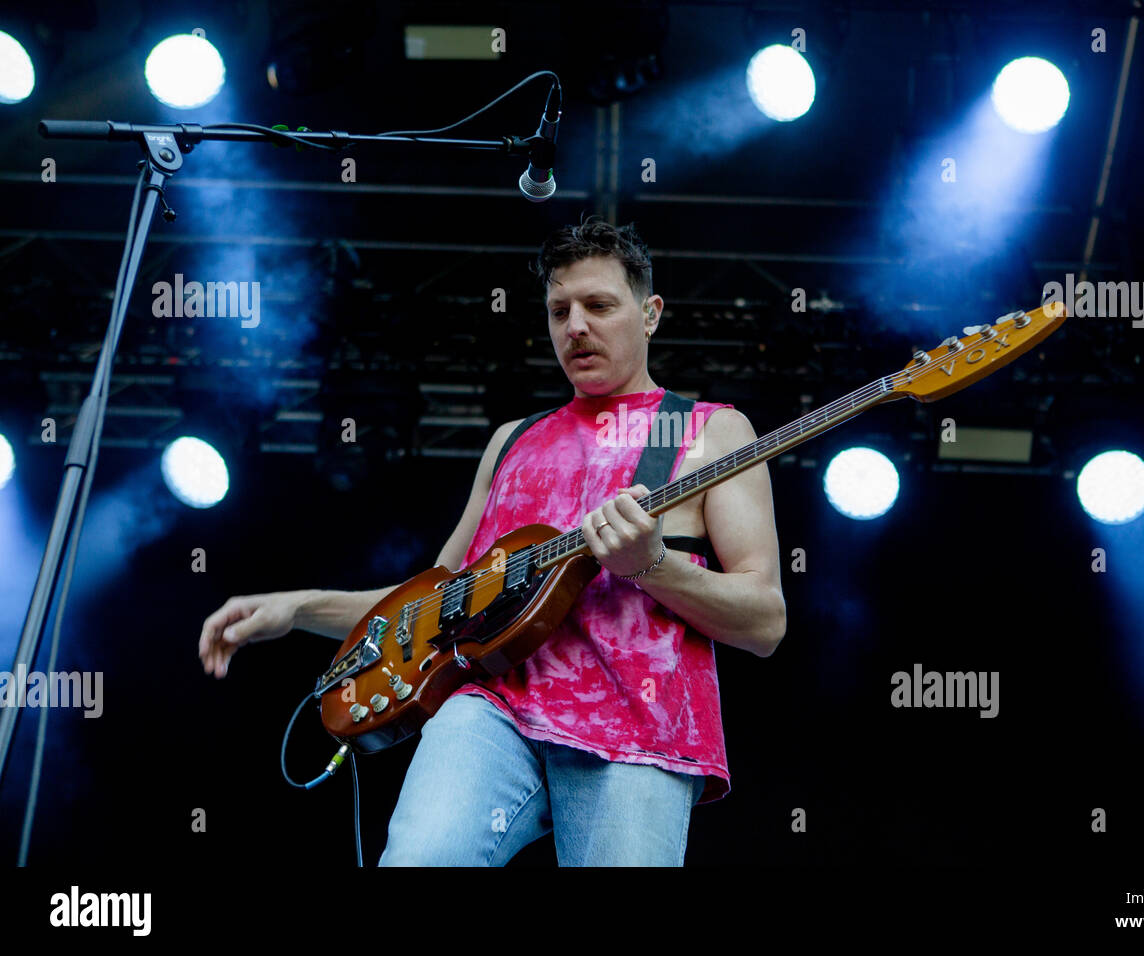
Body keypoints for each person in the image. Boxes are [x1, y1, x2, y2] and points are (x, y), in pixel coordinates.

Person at [198, 216, 785, 865]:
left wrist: (653, 566)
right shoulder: (513, 439)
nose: (576, 326)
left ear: (650, 314)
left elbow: (764, 622)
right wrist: (299, 607)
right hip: (492, 708)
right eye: (559, 309)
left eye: (598, 305)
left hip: (637, 728)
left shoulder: (711, 433)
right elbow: (435, 600)